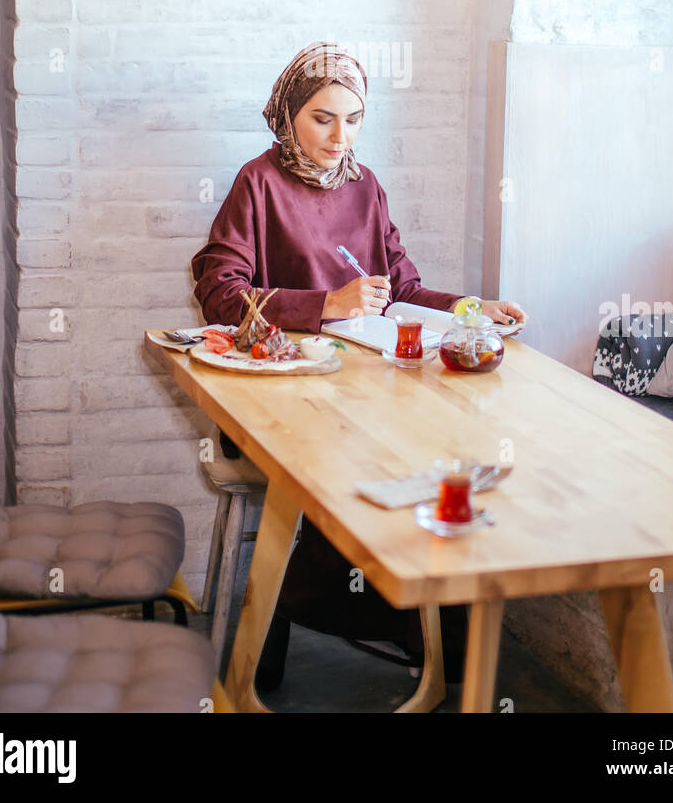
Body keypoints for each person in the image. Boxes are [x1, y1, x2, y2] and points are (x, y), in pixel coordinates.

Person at [190, 41, 528, 687]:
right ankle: (325, 616)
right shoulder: (257, 184)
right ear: (289, 114)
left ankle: (428, 638)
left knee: (432, 450)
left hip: (362, 390)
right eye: (323, 118)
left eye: (354, 120)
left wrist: (469, 308)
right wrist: (326, 303)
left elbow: (401, 289)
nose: (340, 137)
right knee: (349, 462)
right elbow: (218, 294)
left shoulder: (365, 188)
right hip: (281, 396)